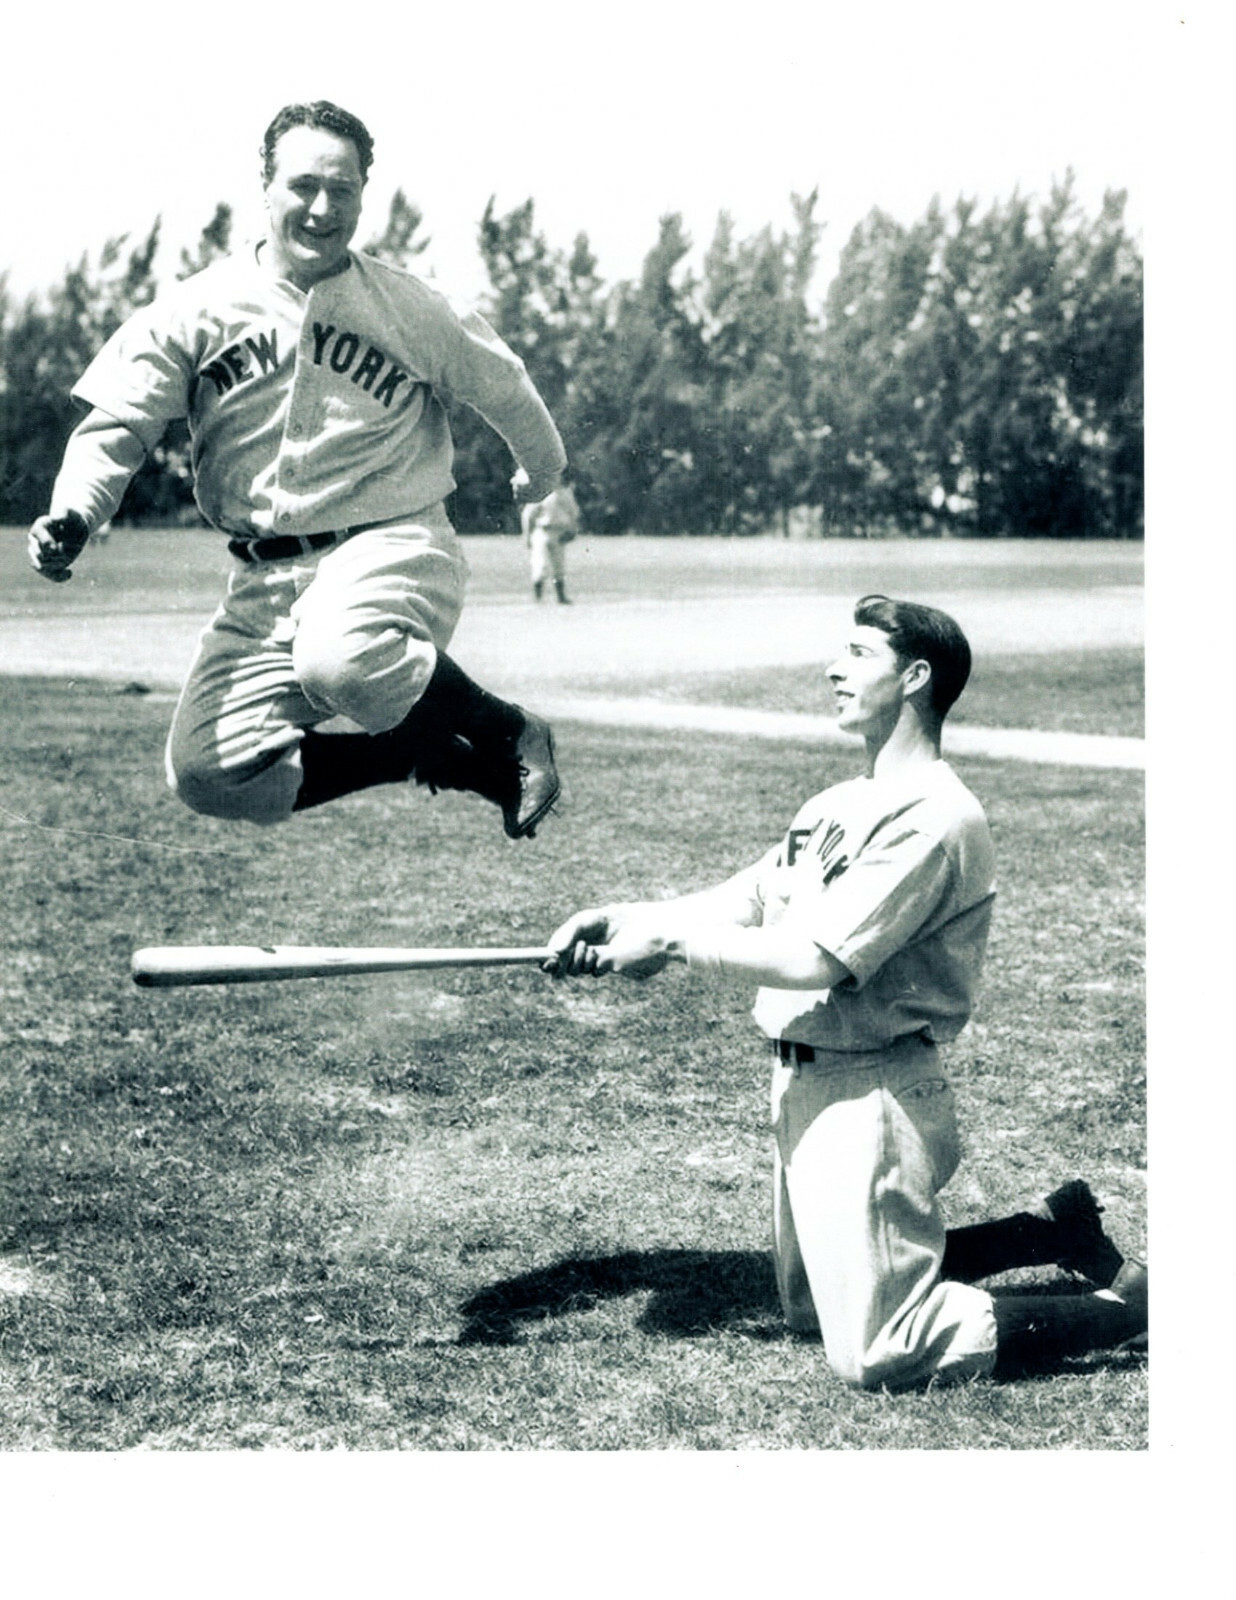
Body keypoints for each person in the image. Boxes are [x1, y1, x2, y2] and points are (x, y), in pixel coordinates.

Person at [546, 595, 1147, 1389]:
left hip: (875, 1092)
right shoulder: (834, 804)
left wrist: (668, 946)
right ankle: (1043, 1231)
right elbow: (745, 900)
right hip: (805, 1084)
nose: (834, 668)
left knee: (881, 1350)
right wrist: (623, 917)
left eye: (858, 654)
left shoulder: (935, 816)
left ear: (915, 678)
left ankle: (1136, 1310)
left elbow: (814, 959)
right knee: (811, 1309)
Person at [27, 100, 566, 841]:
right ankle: (413, 753)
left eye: (342, 191)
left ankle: (509, 731)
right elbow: (120, 421)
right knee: (208, 770)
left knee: (341, 658)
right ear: (266, 186)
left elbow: (504, 384)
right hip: (263, 579)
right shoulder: (194, 309)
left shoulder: (407, 304)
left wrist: (542, 470)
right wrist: (76, 510)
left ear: (362, 195)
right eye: (303, 186)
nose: (321, 208)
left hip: (390, 544)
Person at [521, 477, 580, 603]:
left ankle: (561, 597)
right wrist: (527, 535)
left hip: (559, 532)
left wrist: (573, 530)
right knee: (540, 564)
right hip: (542, 531)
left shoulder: (565, 493)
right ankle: (538, 598)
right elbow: (528, 516)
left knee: (559, 565)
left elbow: (573, 514)